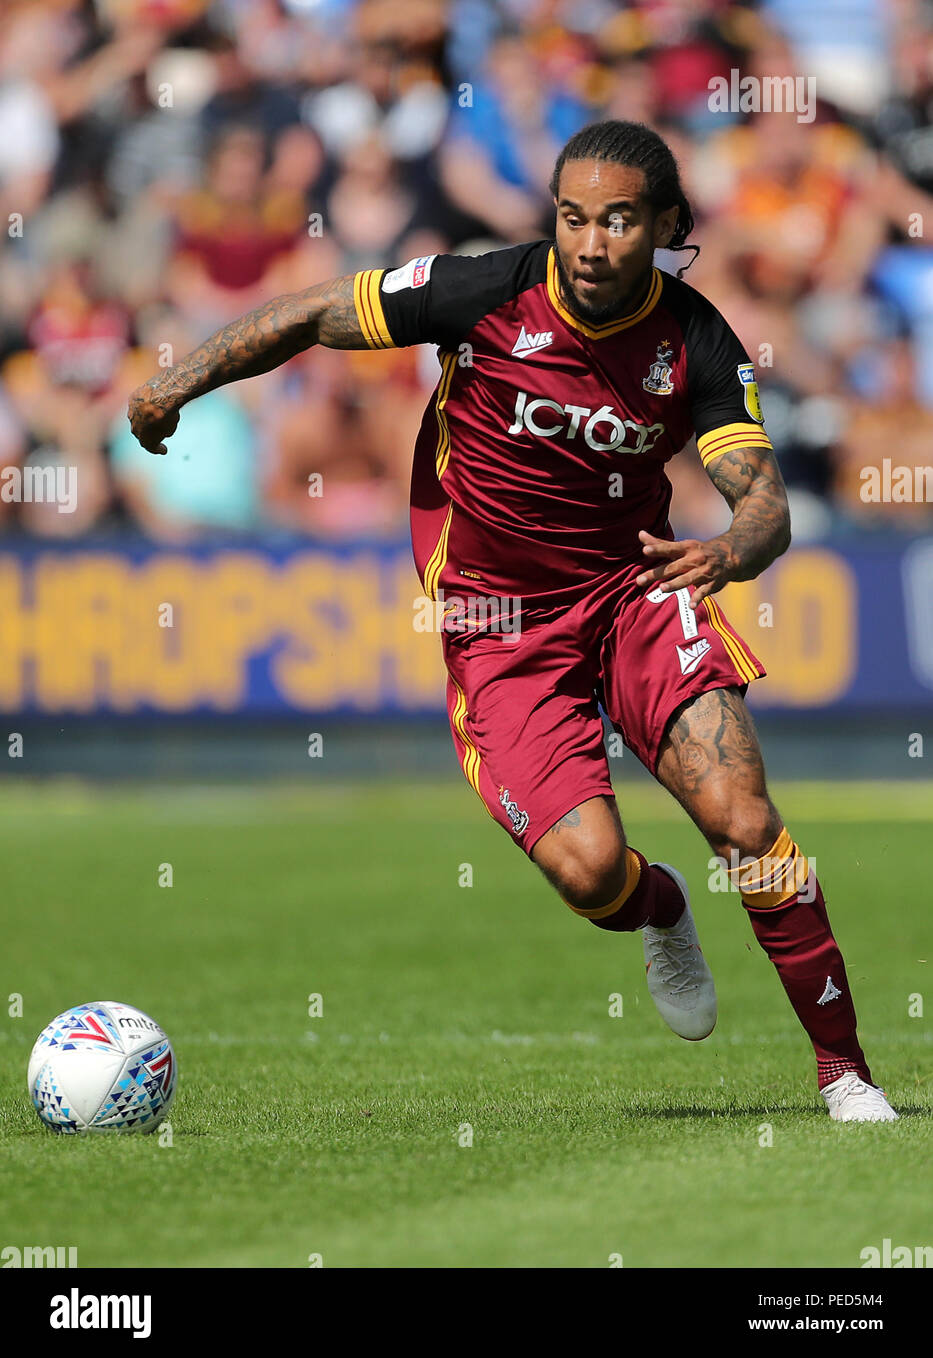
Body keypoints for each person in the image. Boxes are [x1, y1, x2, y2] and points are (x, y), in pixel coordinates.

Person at [127, 120, 897, 1122]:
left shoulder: (696, 339)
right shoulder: (486, 291)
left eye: (618, 220)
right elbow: (318, 312)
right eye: (573, 217)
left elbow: (765, 503)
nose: (589, 242)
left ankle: (846, 1074)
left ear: (665, 225)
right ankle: (660, 906)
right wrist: (173, 386)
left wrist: (730, 550)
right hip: (500, 623)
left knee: (747, 820)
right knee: (590, 875)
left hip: (638, 588)